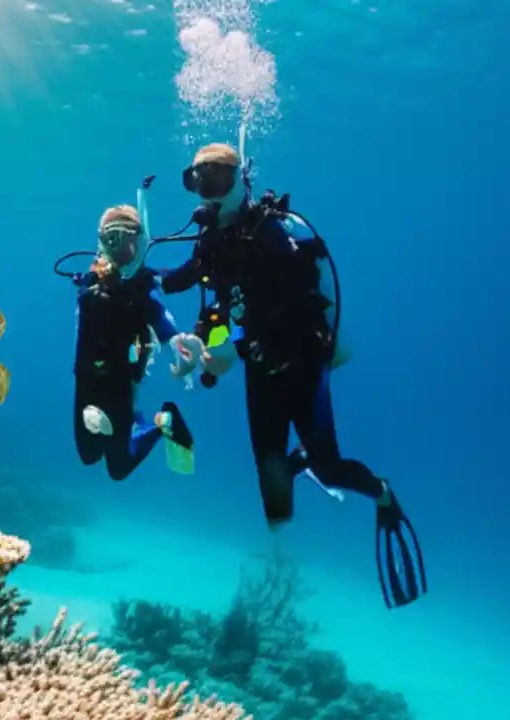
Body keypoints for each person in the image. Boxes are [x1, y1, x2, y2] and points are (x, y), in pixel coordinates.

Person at [156, 142, 427, 608]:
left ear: (241, 181)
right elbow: (196, 289)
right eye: (198, 181)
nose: (208, 192)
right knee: (274, 502)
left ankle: (381, 493)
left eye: (217, 178)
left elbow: (292, 309)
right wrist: (193, 333)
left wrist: (232, 350)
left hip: (302, 364)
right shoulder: (211, 241)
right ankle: (278, 563)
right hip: (260, 369)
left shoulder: (269, 236)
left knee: (328, 466)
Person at [70, 203, 198, 480]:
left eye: (125, 240)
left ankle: (164, 421)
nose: (118, 250)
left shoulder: (143, 282)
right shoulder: (91, 281)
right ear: (101, 242)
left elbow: (158, 313)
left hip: (121, 383)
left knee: (118, 468)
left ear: (139, 242)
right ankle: (137, 424)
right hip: (86, 380)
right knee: (88, 455)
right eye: (110, 240)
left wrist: (176, 340)